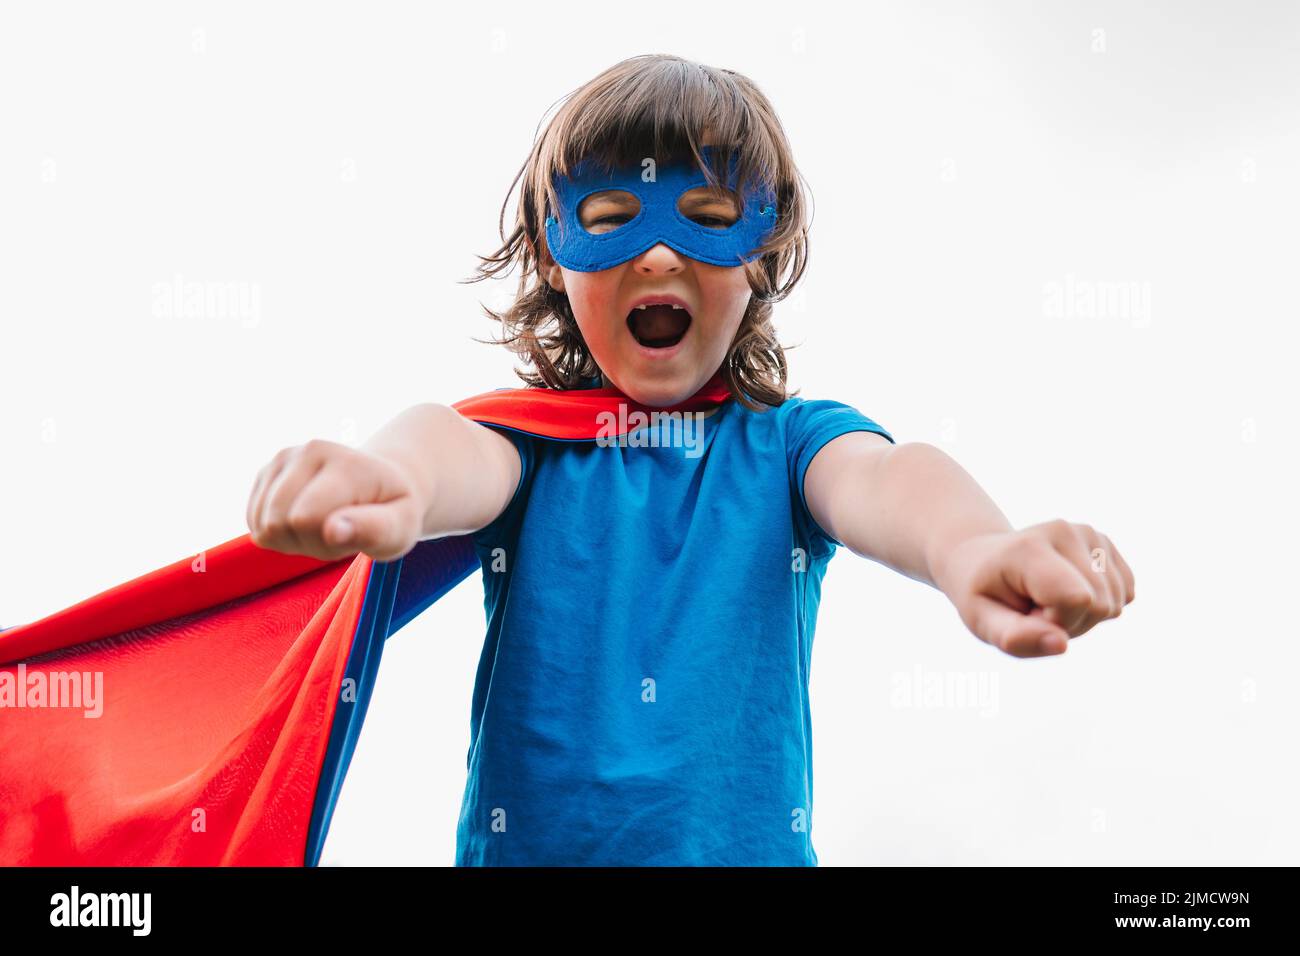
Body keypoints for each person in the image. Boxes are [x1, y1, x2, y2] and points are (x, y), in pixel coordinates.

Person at [245, 54, 1135, 866]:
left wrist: (972, 546)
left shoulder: (788, 446)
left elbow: (884, 479)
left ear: (762, 250)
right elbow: (448, 444)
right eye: (611, 217)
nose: (662, 250)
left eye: (708, 218)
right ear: (559, 254)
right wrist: (392, 476)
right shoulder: (531, 451)